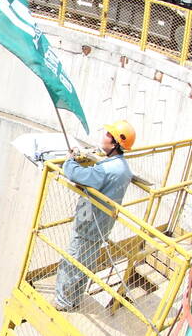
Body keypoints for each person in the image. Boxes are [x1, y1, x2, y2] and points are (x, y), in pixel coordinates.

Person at [52, 121, 136, 312]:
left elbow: (76, 174)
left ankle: (63, 303)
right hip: (102, 225)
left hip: (88, 225)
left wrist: (70, 160)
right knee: (85, 266)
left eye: (107, 134)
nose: (103, 135)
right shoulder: (122, 167)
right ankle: (74, 301)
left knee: (71, 264)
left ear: (115, 144)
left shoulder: (107, 169)